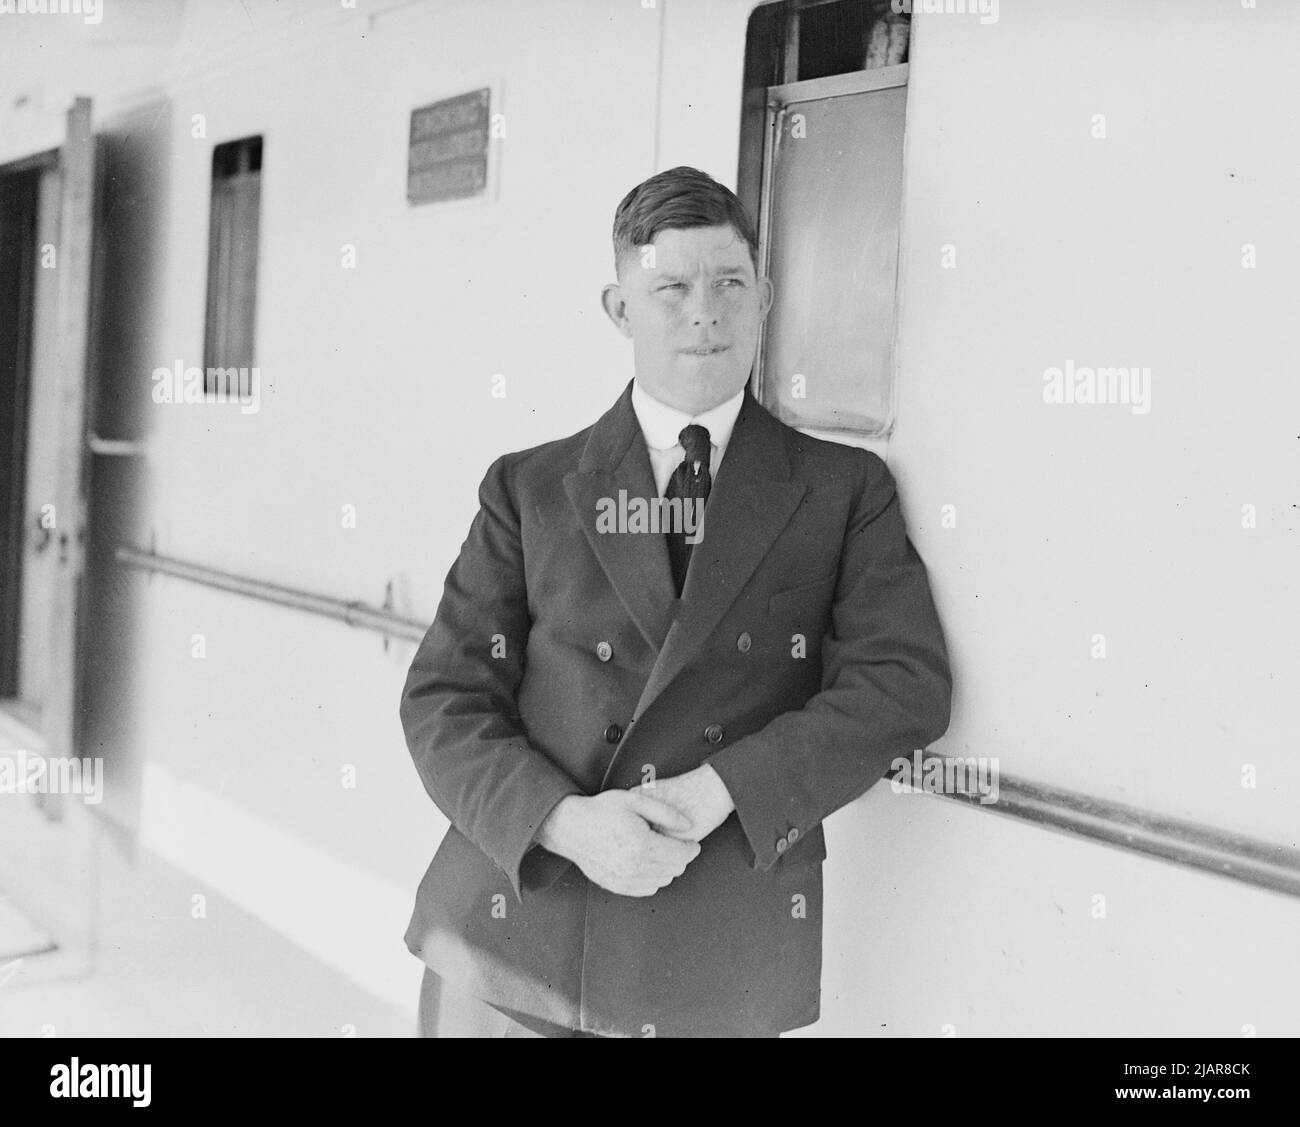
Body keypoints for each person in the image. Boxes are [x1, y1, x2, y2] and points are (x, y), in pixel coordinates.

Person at [399, 165, 952, 1038]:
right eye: (671, 288)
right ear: (620, 308)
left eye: (731, 283)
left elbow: (902, 686)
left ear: (766, 297)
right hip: (514, 947)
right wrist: (567, 824)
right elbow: (442, 699)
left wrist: (717, 790)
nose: (706, 312)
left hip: (713, 958)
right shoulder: (530, 487)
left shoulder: (844, 490)